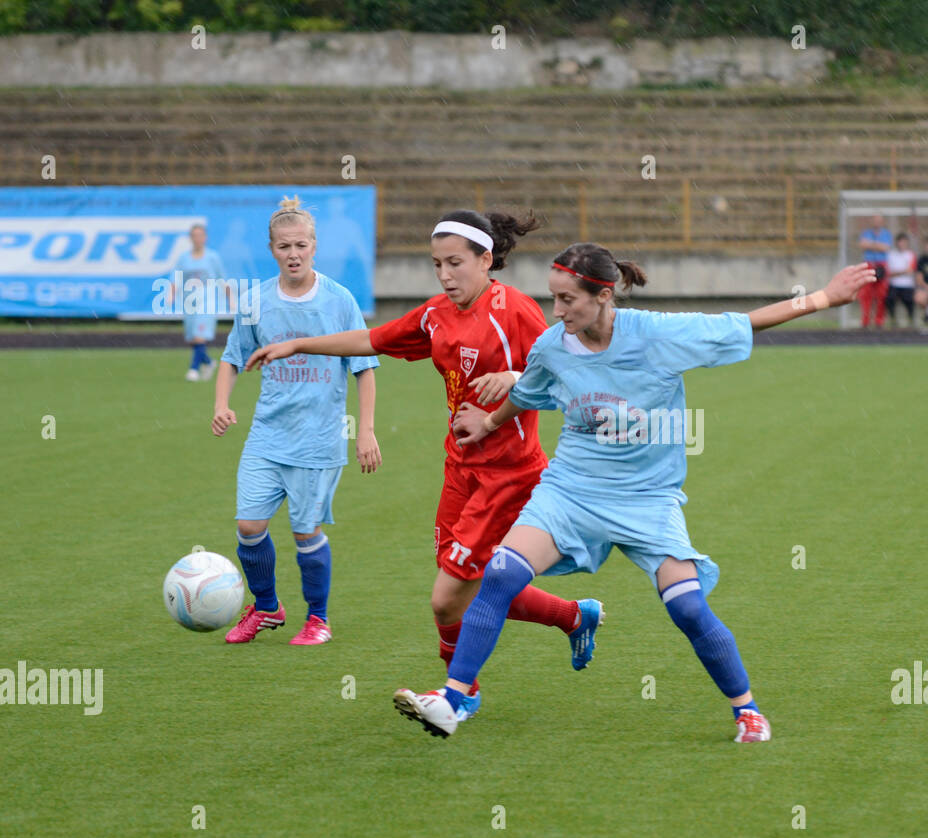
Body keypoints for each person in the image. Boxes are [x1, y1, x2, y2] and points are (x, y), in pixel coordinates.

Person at [391, 243, 875, 743]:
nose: (556, 312)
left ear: (603, 295)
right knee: (500, 575)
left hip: (647, 499)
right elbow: (528, 392)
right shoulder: (554, 346)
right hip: (572, 492)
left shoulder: (657, 335)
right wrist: (490, 422)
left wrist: (825, 298)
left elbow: (744, 322)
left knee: (687, 608)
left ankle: (747, 710)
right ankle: (451, 701)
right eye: (553, 299)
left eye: (567, 300)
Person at [243, 210, 604, 720]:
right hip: (459, 470)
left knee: (445, 599)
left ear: (486, 260)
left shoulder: (515, 311)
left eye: (455, 263)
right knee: (469, 587)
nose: (445, 275)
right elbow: (373, 340)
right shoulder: (437, 314)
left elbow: (564, 374)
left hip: (509, 476)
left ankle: (460, 695)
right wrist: (299, 344)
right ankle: (573, 615)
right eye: (437, 264)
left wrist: (511, 380)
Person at [212, 197, 382, 646]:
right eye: (285, 246)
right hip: (267, 433)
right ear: (272, 249)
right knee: (248, 527)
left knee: (306, 532)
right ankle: (267, 607)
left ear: (314, 246)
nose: (294, 253)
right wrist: (221, 404)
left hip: (319, 439)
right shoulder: (255, 301)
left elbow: (364, 368)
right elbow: (231, 358)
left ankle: (318, 619)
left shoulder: (339, 299)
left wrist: (365, 429)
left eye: (301, 245)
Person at [174, 224, 229, 381]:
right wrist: (171, 294)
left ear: (205, 238)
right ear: (190, 238)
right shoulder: (183, 258)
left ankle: (193, 370)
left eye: (200, 235)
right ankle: (208, 362)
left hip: (207, 301)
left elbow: (221, 278)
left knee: (200, 336)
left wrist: (229, 298)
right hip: (189, 301)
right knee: (192, 339)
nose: (197, 239)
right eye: (194, 235)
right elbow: (176, 277)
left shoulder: (212, 257)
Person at [857, 214, 891, 328]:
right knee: (866, 294)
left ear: (882, 221)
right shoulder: (866, 233)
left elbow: (885, 248)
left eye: (879, 220)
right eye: (875, 220)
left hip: (881, 266)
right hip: (868, 265)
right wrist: (877, 245)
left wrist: (870, 244)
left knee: (881, 295)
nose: (877, 222)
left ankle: (879, 321)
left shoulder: (886, 234)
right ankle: (865, 322)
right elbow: (862, 245)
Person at [885, 233, 916, 329]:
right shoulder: (891, 255)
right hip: (894, 284)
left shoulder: (911, 255)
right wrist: (903, 271)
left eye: (904, 242)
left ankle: (911, 320)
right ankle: (893, 319)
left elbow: (911, 270)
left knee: (909, 301)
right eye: (900, 242)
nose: (902, 244)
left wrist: (897, 272)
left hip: (907, 285)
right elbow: (888, 272)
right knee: (890, 299)